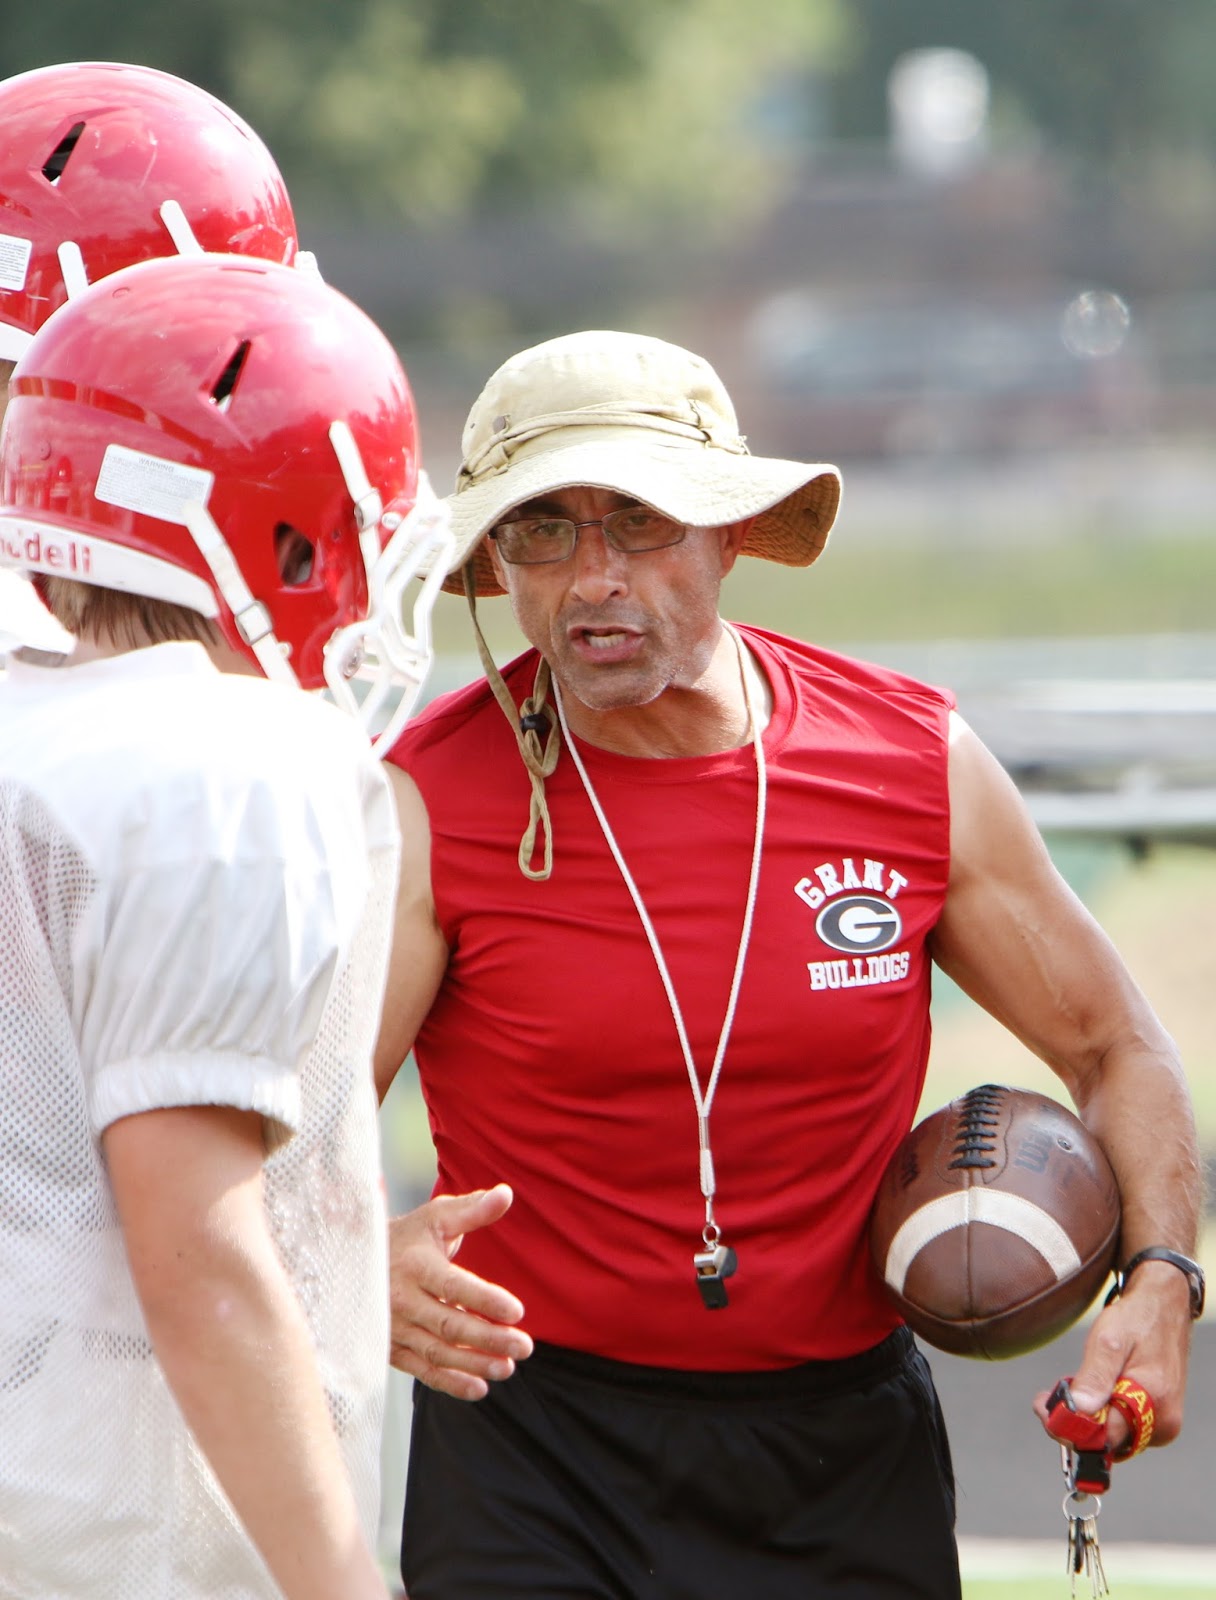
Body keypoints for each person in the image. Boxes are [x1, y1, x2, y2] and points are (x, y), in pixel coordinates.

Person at [376, 329, 1203, 1599]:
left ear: (729, 532)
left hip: (840, 1454)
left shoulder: (911, 762)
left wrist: (1163, 1275)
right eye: (543, 529)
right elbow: (270, 1126)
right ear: (497, 560)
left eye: (639, 522)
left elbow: (1114, 1047)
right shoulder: (423, 799)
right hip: (531, 1454)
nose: (593, 577)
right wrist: (353, 1259)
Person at [0, 251, 453, 1599]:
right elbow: (194, 1248)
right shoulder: (224, 763)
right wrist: (339, 1581)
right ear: (286, 535)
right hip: (119, 1529)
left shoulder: (42, 733)